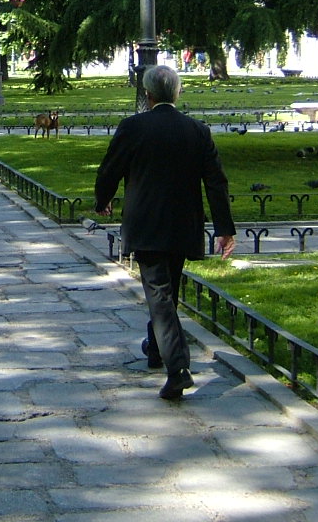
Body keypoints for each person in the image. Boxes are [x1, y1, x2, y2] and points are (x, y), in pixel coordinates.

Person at [93, 64, 236, 400]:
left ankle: (178, 369)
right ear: (177, 92)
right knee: (167, 292)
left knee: (160, 296)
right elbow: (215, 181)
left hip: (146, 225)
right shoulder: (197, 130)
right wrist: (224, 228)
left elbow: (110, 168)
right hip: (184, 226)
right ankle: (156, 350)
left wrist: (103, 199)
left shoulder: (133, 127)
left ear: (148, 94)